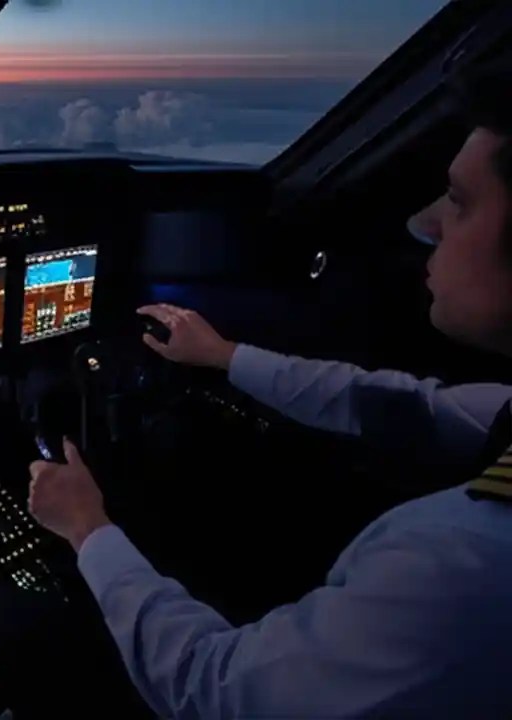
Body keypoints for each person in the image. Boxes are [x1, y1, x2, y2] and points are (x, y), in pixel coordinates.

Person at [28, 61, 512, 719]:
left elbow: (219, 691)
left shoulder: (465, 565)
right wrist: (224, 355)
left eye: (458, 200)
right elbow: (405, 405)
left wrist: (87, 529)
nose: (425, 222)